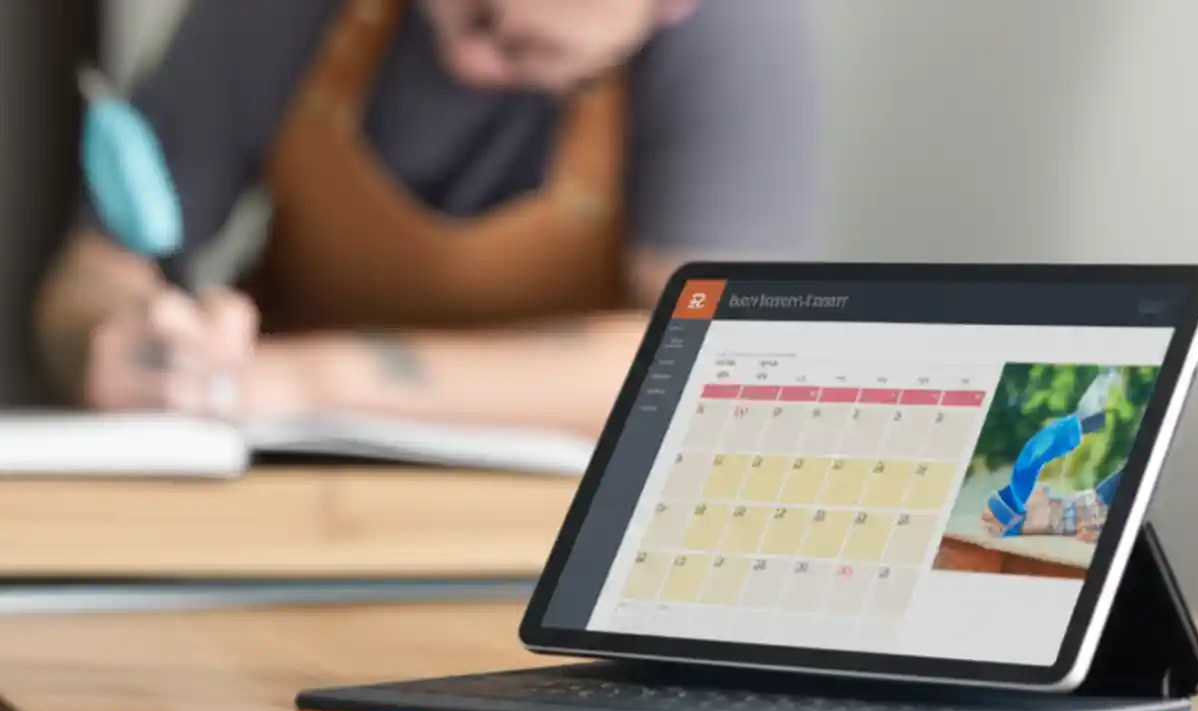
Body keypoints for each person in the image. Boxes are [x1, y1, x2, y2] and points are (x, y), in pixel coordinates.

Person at [35, 0, 817, 439]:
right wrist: (109, 344)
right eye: (470, 12)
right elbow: (95, 274)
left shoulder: (741, 32)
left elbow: (716, 361)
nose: (475, 67)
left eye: (530, 51)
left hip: (564, 532)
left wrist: (307, 377)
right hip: (277, 491)